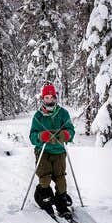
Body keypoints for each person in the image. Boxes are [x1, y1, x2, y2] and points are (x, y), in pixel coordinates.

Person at [29, 83, 74, 215]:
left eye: (51, 97)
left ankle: (61, 205)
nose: (49, 100)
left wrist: (66, 135)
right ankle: (44, 198)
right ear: (43, 99)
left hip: (59, 151)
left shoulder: (63, 113)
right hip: (43, 151)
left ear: (55, 98)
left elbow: (71, 130)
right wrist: (41, 136)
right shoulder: (38, 116)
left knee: (61, 180)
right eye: (46, 98)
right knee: (45, 178)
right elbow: (32, 136)